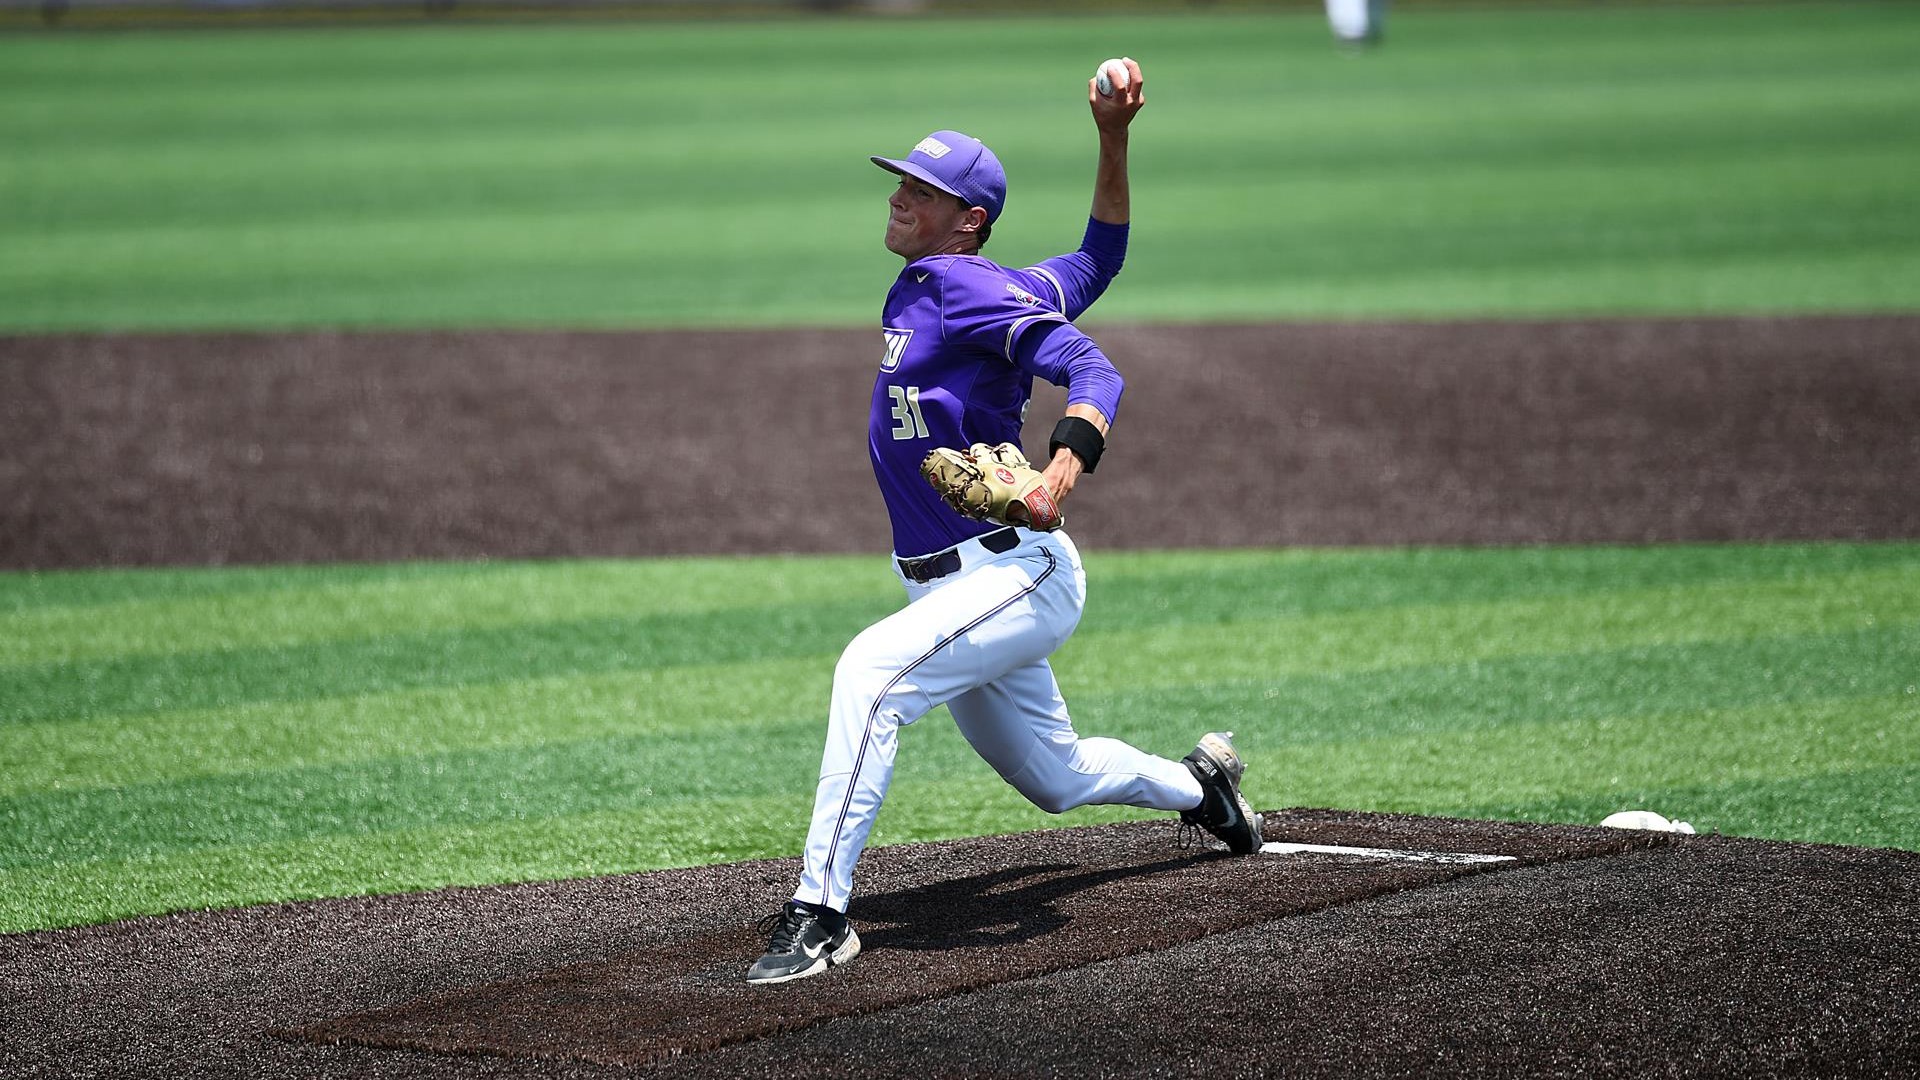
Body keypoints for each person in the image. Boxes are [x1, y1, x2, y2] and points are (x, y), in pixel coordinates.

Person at [747, 59, 1263, 986]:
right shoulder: (953, 284)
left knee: (868, 675)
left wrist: (1060, 470)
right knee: (1056, 778)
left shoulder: (968, 287)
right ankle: (1204, 790)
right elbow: (1100, 255)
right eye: (902, 180)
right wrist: (1114, 138)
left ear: (967, 220)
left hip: (1015, 569)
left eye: (925, 189)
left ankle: (820, 914)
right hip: (956, 582)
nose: (902, 196)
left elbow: (1094, 370)